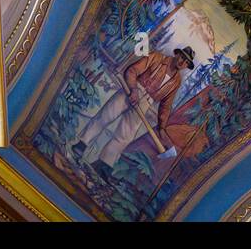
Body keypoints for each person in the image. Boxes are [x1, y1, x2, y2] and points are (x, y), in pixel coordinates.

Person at [70, 46, 195, 178]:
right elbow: (132, 70)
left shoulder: (176, 81)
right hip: (131, 89)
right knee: (105, 116)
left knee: (125, 135)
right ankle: (82, 143)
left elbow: (166, 105)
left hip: (146, 103)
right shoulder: (158, 58)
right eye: (182, 57)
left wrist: (162, 127)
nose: (182, 62)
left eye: (186, 62)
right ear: (177, 54)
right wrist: (134, 89)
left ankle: (103, 164)